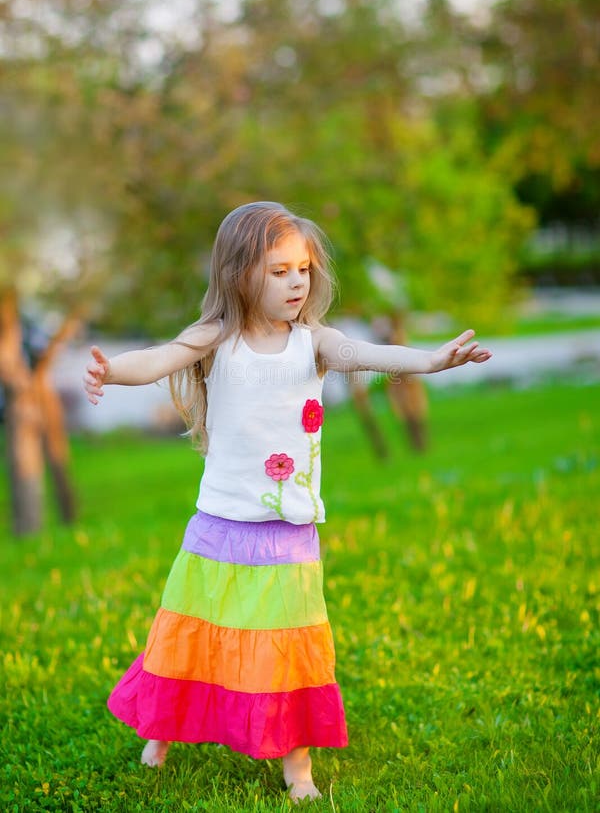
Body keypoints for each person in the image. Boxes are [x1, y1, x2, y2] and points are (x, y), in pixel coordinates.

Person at [83, 201, 492, 802]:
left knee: (287, 645)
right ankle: (162, 732)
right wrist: (110, 371)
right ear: (239, 274)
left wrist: (431, 360)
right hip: (220, 525)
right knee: (193, 634)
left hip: (288, 531)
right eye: (278, 271)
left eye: (302, 268)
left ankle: (298, 769)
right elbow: (157, 359)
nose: (296, 281)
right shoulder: (218, 338)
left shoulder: (313, 343)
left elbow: (371, 356)